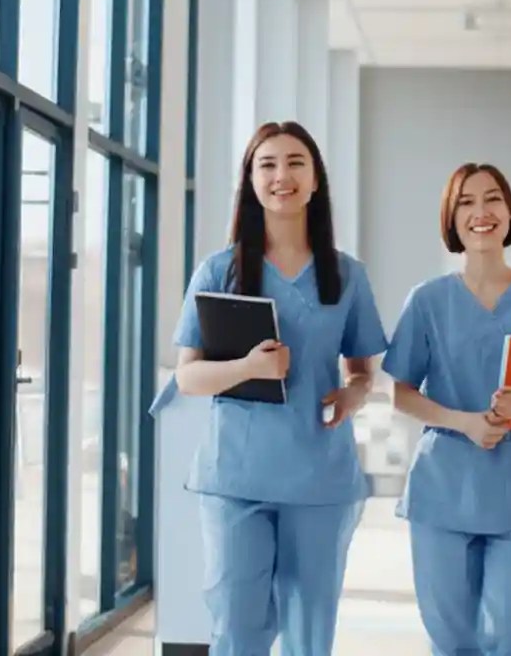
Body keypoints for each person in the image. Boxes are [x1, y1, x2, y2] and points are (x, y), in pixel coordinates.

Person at [161, 121, 388, 655]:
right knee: (237, 628)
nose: (281, 175)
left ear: (315, 182)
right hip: (235, 475)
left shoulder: (347, 276)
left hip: (318, 476)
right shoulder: (220, 270)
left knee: (311, 634)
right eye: (267, 164)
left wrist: (354, 393)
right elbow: (188, 376)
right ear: (250, 181)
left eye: (294, 163)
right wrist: (246, 367)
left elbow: (361, 368)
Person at [382, 163, 511, 656]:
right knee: (451, 636)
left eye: (493, 198)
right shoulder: (428, 300)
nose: (481, 212)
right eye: (466, 202)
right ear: (451, 221)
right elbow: (400, 392)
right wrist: (464, 422)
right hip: (444, 484)